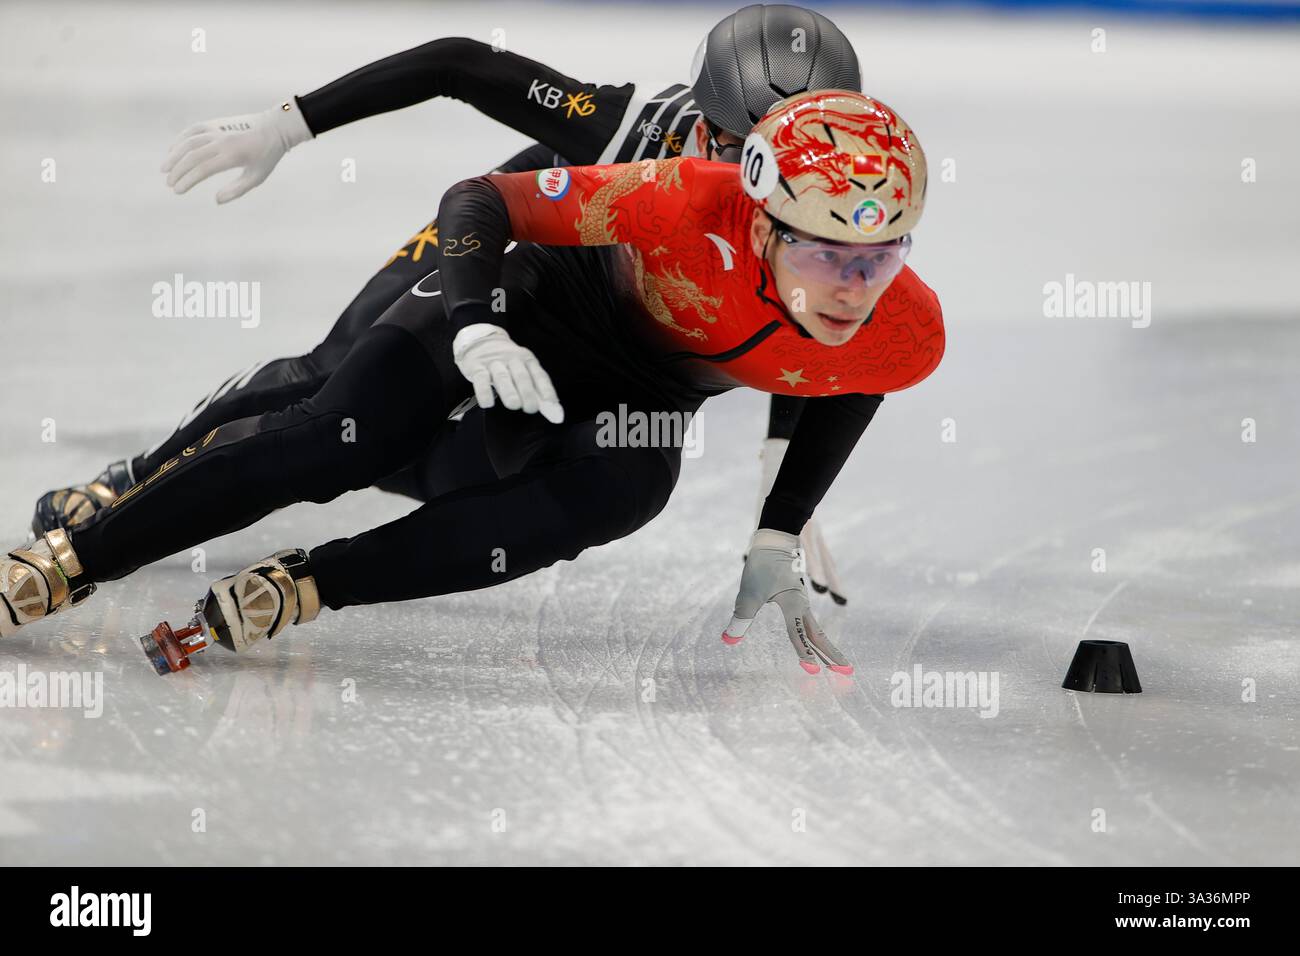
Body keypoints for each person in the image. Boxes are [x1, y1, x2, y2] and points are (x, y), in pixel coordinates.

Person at [1, 89, 943, 675]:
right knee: (346, 432)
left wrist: (779, 527)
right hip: (538, 290)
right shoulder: (679, 196)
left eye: (882, 254)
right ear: (766, 219)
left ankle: (312, 584)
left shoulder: (902, 325)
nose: (855, 287)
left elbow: (854, 374)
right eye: (827, 252)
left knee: (619, 491)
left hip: (637, 391)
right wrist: (479, 323)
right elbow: (480, 198)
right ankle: (77, 560)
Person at [31, 3, 860, 602]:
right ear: (700, 129)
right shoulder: (630, 135)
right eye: (736, 150)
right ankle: (136, 479)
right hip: (525, 257)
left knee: (445, 471)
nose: (762, 187)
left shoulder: (854, 205)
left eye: (791, 162)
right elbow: (459, 63)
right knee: (334, 396)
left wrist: (782, 490)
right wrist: (288, 125)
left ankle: (310, 567)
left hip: (636, 373)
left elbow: (812, 325)